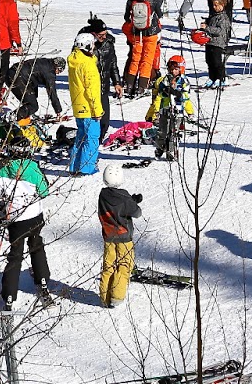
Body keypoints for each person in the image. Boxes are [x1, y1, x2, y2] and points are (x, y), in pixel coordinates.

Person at [0, 150, 52, 311]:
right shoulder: (32, 167)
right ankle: (42, 280)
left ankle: (9, 295)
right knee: (36, 247)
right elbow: (44, 191)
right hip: (34, 217)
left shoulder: (3, 169)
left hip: (15, 220)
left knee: (15, 256)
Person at [97, 166, 143, 308]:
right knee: (125, 264)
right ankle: (117, 296)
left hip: (108, 236)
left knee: (108, 265)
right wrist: (133, 202)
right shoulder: (124, 198)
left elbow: (116, 204)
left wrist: (131, 199)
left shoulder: (102, 195)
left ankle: (105, 297)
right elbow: (136, 212)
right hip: (124, 238)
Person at [146, 55, 195, 161]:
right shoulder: (165, 80)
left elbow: (186, 98)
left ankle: (171, 152)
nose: (174, 71)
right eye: (172, 69)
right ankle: (160, 148)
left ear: (181, 69)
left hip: (178, 112)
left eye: (176, 69)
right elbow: (159, 97)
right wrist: (156, 112)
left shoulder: (184, 81)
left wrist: (190, 113)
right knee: (163, 132)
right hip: (165, 110)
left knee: (174, 132)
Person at [67, 33, 103, 175]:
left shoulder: (74, 60)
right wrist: (97, 111)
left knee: (81, 137)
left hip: (78, 106)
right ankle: (87, 168)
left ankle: (74, 166)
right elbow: (92, 91)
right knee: (92, 138)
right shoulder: (87, 65)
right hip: (89, 108)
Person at [121, 0, 164, 96]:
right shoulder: (153, 0)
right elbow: (159, 15)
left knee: (135, 59)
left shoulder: (131, 0)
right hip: (151, 34)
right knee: (147, 60)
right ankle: (142, 87)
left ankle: (129, 86)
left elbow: (126, 17)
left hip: (136, 34)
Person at [89, 19, 119, 140]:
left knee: (104, 120)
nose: (104, 37)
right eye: (101, 35)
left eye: (105, 34)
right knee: (92, 119)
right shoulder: (85, 46)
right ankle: (91, 142)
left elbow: (113, 65)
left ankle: (99, 140)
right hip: (90, 88)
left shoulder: (109, 44)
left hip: (104, 87)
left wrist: (117, 83)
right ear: (93, 34)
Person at [198, 0, 232, 88]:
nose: (214, 7)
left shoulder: (223, 18)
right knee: (209, 61)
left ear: (222, 5)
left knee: (217, 62)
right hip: (210, 41)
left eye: (216, 5)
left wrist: (207, 28)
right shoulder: (213, 16)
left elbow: (220, 31)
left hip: (218, 43)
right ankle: (212, 78)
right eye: (213, 5)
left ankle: (220, 78)